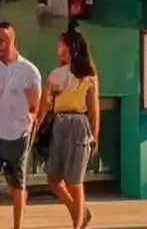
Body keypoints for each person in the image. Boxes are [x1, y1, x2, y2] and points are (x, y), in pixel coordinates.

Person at [0, 23, 41, 229]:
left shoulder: (29, 71)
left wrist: (30, 120)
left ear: (14, 41)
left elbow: (34, 106)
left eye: (4, 40)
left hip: (16, 136)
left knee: (17, 185)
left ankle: (17, 226)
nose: (0, 45)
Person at [36, 25, 99, 229]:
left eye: (60, 43)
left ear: (69, 48)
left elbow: (94, 107)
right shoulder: (56, 74)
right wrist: (36, 125)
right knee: (54, 178)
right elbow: (44, 104)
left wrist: (94, 134)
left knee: (75, 181)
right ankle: (80, 213)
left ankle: (77, 224)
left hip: (79, 124)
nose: (57, 47)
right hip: (60, 123)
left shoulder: (88, 76)